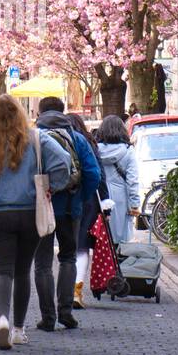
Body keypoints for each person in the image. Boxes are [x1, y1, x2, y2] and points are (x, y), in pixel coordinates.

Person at [0, 95, 70, 350]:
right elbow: (63, 162)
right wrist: (51, 188)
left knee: (3, 271)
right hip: (30, 211)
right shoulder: (37, 138)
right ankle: (18, 328)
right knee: (23, 271)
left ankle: (2, 319)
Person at [32, 97, 101, 332]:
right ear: (63, 112)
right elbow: (93, 174)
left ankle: (47, 317)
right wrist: (81, 197)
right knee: (68, 257)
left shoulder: (32, 139)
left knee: (41, 263)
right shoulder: (77, 139)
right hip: (71, 208)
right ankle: (65, 311)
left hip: (41, 207)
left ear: (40, 113)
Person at [66, 112, 103, 309]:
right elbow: (98, 175)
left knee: (67, 248)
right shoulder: (89, 143)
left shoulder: (58, 142)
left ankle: (64, 291)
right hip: (87, 201)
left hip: (63, 199)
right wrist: (101, 199)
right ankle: (76, 290)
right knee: (82, 247)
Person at [96, 115, 141, 245]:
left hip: (100, 197)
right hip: (121, 197)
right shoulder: (128, 151)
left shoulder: (95, 150)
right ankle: (119, 263)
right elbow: (132, 180)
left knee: (102, 238)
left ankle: (104, 264)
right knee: (121, 240)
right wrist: (134, 204)